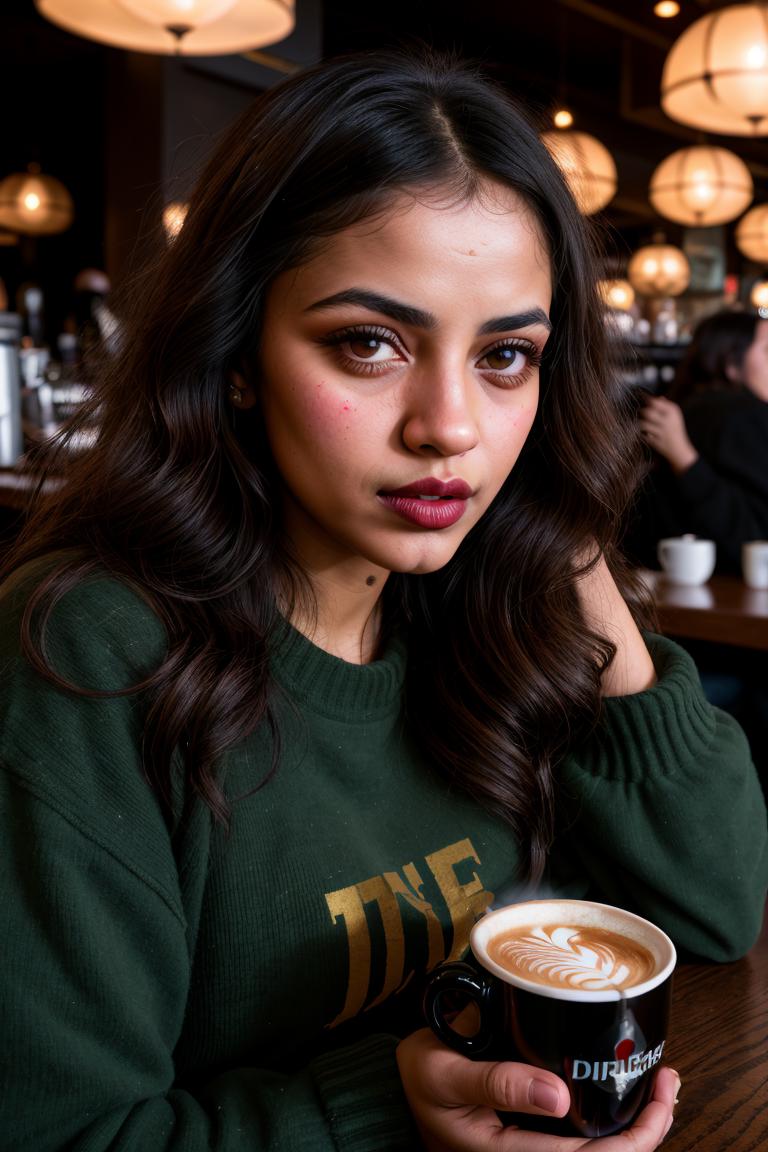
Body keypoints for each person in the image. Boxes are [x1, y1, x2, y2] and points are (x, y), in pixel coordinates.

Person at [0, 50, 765, 1152]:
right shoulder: (88, 655)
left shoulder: (479, 608)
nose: (450, 425)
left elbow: (714, 903)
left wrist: (570, 534)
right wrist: (395, 1105)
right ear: (237, 351)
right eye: (369, 342)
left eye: (507, 355)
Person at [629, 308, 768, 574]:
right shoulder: (743, 414)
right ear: (731, 364)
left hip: (665, 582)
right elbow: (755, 534)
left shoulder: (683, 407)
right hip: (732, 593)